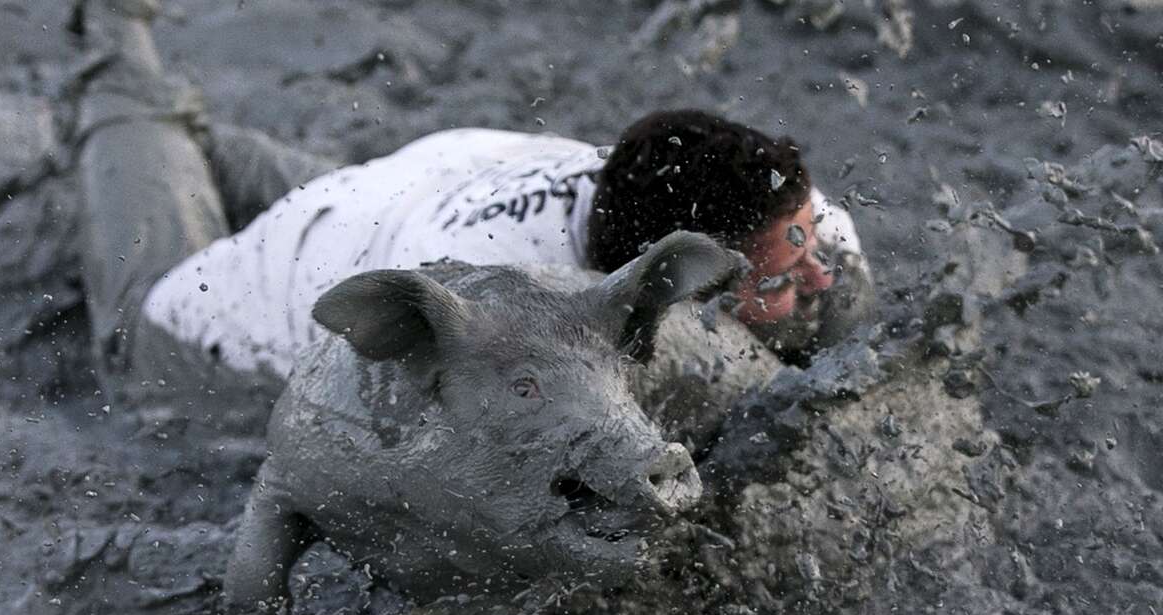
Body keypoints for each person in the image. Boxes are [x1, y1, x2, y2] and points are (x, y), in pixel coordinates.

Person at [76, 0, 872, 423]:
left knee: (210, 150)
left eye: (807, 254)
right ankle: (113, 44)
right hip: (228, 300)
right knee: (139, 158)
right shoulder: (505, 313)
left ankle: (191, 137)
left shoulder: (759, 197)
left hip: (392, 189)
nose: (819, 277)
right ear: (665, 272)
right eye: (787, 279)